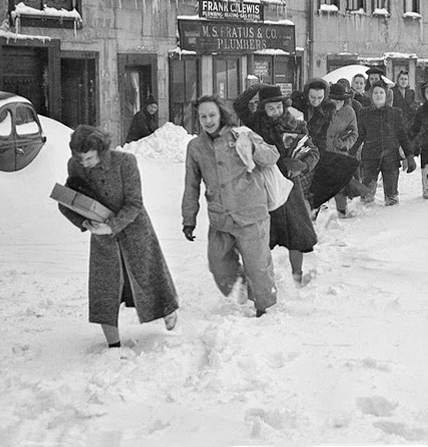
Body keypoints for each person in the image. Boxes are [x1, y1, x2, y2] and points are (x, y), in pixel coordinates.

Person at [60, 125, 179, 348]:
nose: (84, 163)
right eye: (80, 158)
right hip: (102, 237)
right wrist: (83, 222)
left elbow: (135, 204)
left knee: (149, 275)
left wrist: (112, 226)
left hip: (135, 230)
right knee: (104, 287)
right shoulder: (75, 165)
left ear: (101, 150)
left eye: (89, 158)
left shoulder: (125, 162)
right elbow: (71, 198)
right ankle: (113, 344)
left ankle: (168, 310)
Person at [182, 95, 280, 317]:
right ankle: (245, 280)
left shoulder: (241, 134)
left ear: (221, 114)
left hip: (251, 212)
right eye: (203, 116)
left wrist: (251, 148)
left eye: (212, 115)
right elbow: (191, 185)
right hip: (221, 217)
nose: (208, 120)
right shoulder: (196, 147)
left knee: (257, 266)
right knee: (218, 266)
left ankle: (264, 307)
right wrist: (188, 219)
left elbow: (272, 155)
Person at [247, 85, 320, 287]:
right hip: (265, 187)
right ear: (263, 109)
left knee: (296, 234)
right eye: (271, 108)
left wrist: (302, 165)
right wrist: (258, 87)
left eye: (279, 107)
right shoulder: (256, 127)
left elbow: (313, 151)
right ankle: (259, 281)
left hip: (290, 187)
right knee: (262, 237)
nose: (276, 112)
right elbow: (240, 105)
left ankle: (298, 277)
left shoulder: (296, 126)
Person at [351, 83, 417, 206]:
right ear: (371, 95)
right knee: (366, 196)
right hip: (370, 157)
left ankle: (391, 221)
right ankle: (366, 217)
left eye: (381, 92)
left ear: (386, 95)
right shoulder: (364, 113)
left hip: (390, 158)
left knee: (391, 197)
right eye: (375, 92)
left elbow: (402, 136)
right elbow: (360, 135)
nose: (378, 95)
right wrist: (351, 152)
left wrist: (410, 156)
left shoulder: (395, 113)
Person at [324, 80, 363, 217]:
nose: (338, 104)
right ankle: (315, 213)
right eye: (335, 100)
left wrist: (345, 144)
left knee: (340, 184)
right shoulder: (322, 110)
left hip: (340, 153)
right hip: (323, 152)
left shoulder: (349, 112)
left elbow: (354, 133)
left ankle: (342, 210)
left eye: (341, 101)